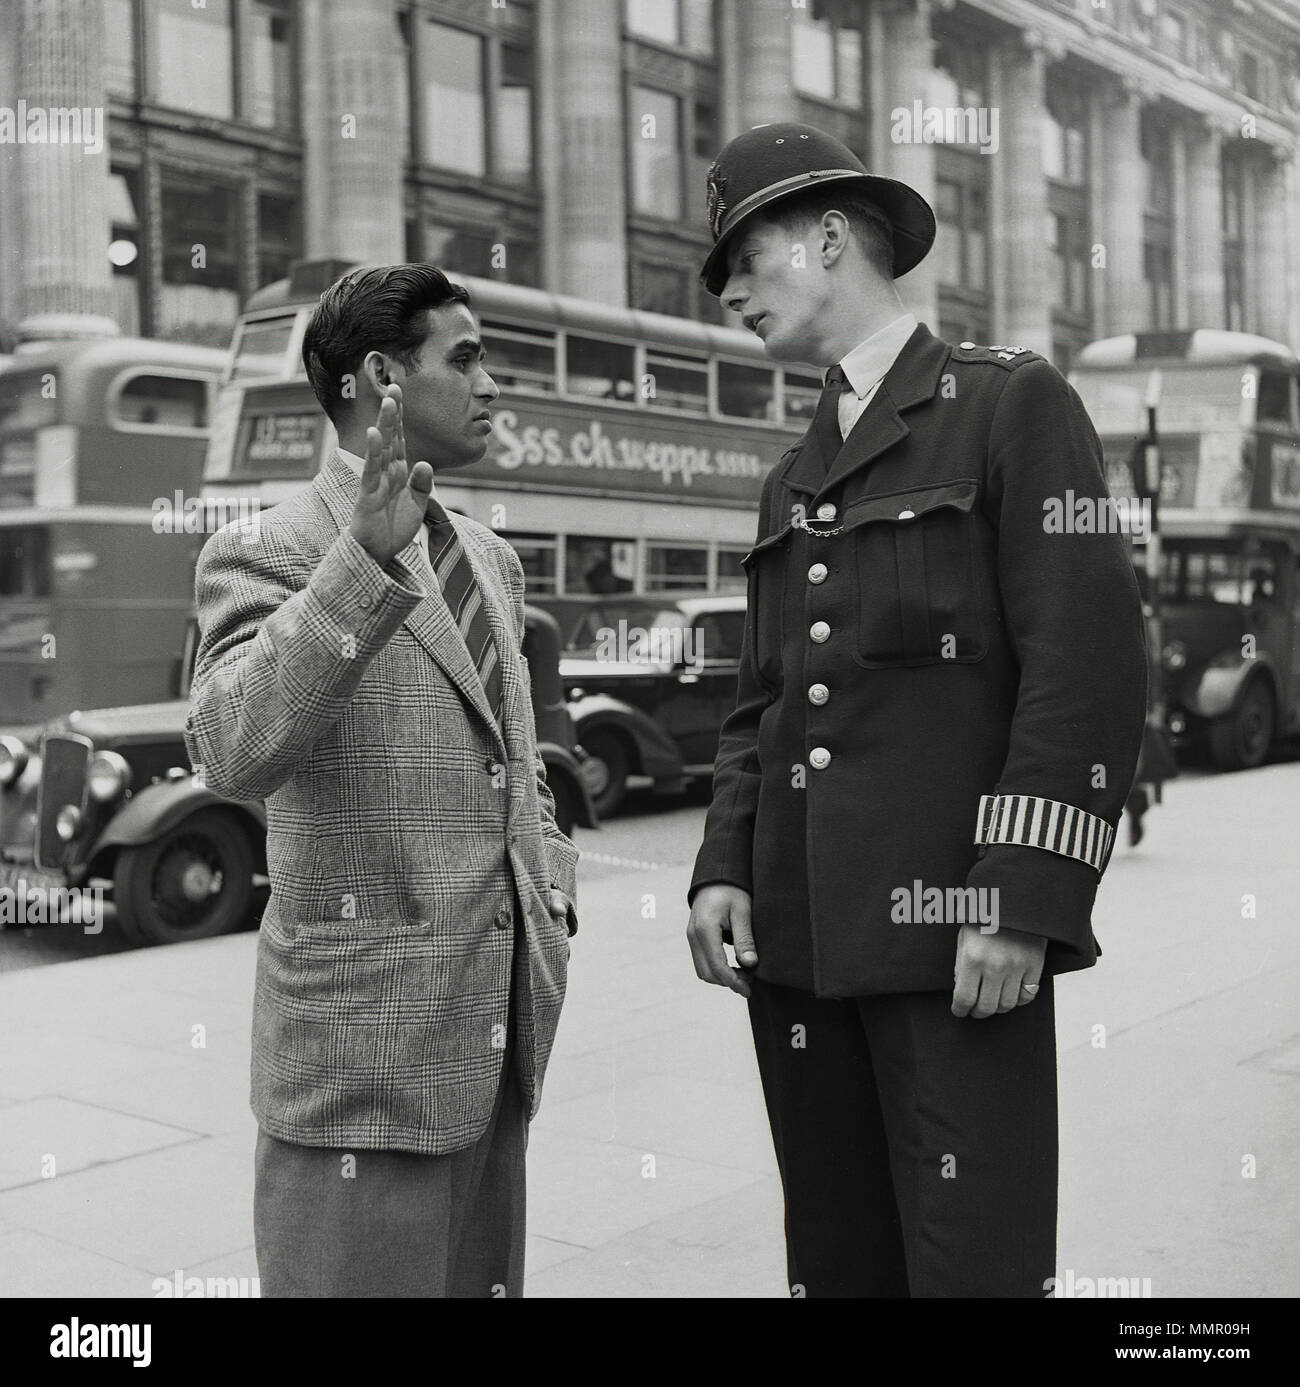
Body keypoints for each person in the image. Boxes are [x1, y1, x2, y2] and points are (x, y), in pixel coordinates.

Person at [686, 124, 1148, 1297]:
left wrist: (1022, 897)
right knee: (839, 1262)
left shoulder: (1006, 405)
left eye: (745, 254)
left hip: (956, 942)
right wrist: (721, 866)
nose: (729, 289)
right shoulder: (789, 476)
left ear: (831, 236)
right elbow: (764, 701)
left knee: (970, 1267)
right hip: (798, 952)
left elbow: (1084, 670)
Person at [184, 263, 578, 1297]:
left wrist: (551, 888)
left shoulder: (491, 558)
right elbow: (229, 746)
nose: (493, 384)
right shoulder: (264, 547)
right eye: (466, 357)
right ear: (379, 379)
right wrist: (359, 559)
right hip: (358, 1075)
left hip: (494, 1045)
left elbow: (516, 757)